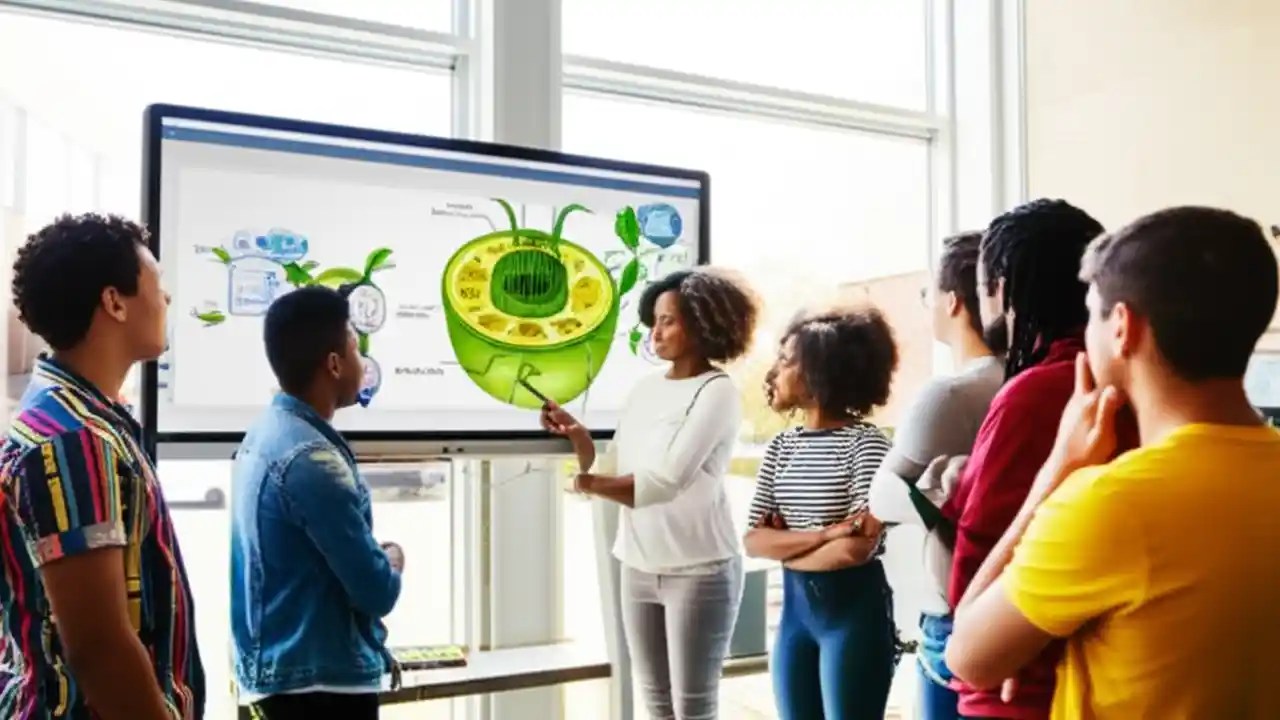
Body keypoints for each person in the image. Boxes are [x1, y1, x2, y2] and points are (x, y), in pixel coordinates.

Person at [947, 207, 1280, 718]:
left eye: (1092, 312)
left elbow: (969, 655)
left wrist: (1056, 471)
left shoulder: (1108, 503)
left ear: (1122, 327)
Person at [0, 213, 205, 719]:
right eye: (157, 285)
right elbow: (100, 649)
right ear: (114, 302)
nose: (167, 300)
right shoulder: (72, 439)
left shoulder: (83, 418)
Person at [939, 198, 1137, 720]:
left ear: (1001, 286)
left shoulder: (1038, 391)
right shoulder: (1132, 381)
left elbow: (983, 554)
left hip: (1019, 681)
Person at [540, 268, 759, 720]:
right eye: (654, 321)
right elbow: (613, 468)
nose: (655, 332)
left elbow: (664, 481)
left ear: (703, 325)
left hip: (699, 572)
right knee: (656, 705)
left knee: (693, 708)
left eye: (669, 321)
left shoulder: (717, 393)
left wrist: (587, 485)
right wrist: (580, 440)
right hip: (637, 565)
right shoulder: (644, 390)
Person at [231, 286, 403, 720]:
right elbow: (375, 589)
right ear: (334, 363)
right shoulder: (311, 460)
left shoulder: (267, 434)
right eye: (355, 346)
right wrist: (393, 560)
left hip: (283, 676)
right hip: (320, 691)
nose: (362, 361)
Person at [867, 231, 1003, 720]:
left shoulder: (950, 395)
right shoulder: (1032, 380)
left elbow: (882, 498)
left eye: (928, 293)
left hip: (955, 615)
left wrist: (941, 503)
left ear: (952, 301)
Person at [743, 306, 899, 720]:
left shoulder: (868, 445)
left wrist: (788, 545)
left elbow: (855, 551)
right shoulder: (781, 447)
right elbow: (754, 542)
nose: (774, 372)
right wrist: (826, 535)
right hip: (795, 626)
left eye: (787, 361)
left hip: (854, 625)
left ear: (820, 371)